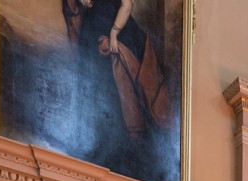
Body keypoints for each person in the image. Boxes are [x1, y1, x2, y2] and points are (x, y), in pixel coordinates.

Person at [63, 0, 171, 145]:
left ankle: (124, 139)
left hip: (120, 31)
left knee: (118, 87)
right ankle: (97, 137)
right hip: (92, 32)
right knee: (93, 86)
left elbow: (127, 6)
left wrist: (114, 34)